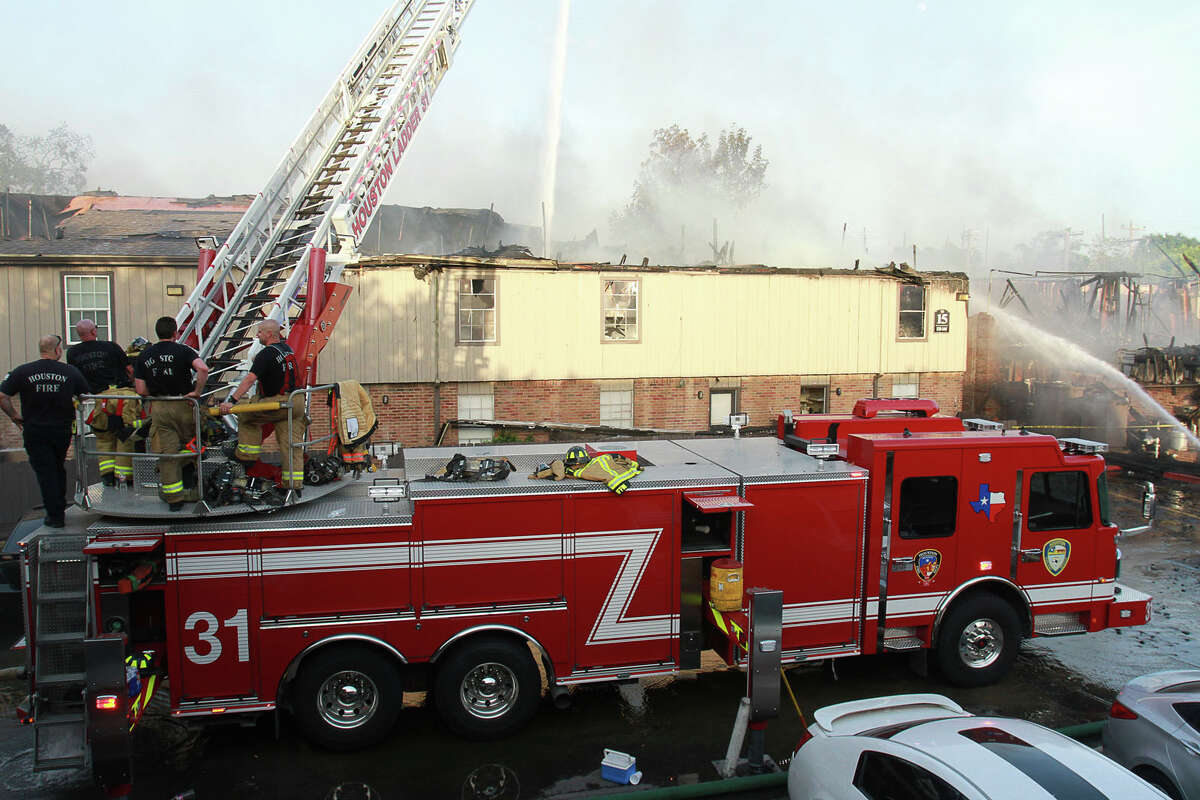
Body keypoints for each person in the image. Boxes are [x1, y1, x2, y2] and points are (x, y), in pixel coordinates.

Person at [0, 334, 90, 527]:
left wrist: (14, 416)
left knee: (45, 471)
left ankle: (55, 515)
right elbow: (85, 395)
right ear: (58, 349)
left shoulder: (22, 371)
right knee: (57, 468)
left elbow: (3, 396)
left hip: (35, 430)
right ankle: (58, 510)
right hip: (61, 429)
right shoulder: (69, 372)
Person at [218, 319, 306, 493]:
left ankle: (246, 456)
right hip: (296, 403)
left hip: (278, 403)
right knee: (291, 445)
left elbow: (250, 379)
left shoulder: (266, 354)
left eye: (259, 332)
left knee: (246, 415)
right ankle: (294, 487)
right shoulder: (287, 350)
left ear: (269, 334)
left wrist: (232, 401)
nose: (256, 335)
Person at [133, 317, 209, 511]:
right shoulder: (183, 351)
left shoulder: (145, 355)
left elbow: (140, 389)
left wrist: (155, 397)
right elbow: (202, 368)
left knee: (168, 452)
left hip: (159, 407)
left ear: (157, 333)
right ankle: (191, 487)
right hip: (184, 403)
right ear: (175, 333)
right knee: (191, 445)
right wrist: (197, 392)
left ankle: (174, 500)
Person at [67, 319, 137, 487]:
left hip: (100, 400)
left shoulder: (73, 353)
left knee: (104, 438)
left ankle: (107, 477)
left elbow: (76, 377)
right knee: (125, 435)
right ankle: (125, 478)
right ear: (94, 331)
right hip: (124, 397)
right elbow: (130, 370)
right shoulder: (111, 347)